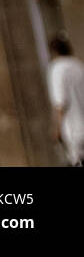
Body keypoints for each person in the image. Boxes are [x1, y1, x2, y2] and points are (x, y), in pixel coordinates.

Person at [48, 34, 84, 166]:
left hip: (74, 130)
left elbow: (61, 102)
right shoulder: (78, 65)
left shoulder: (57, 68)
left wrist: (56, 128)